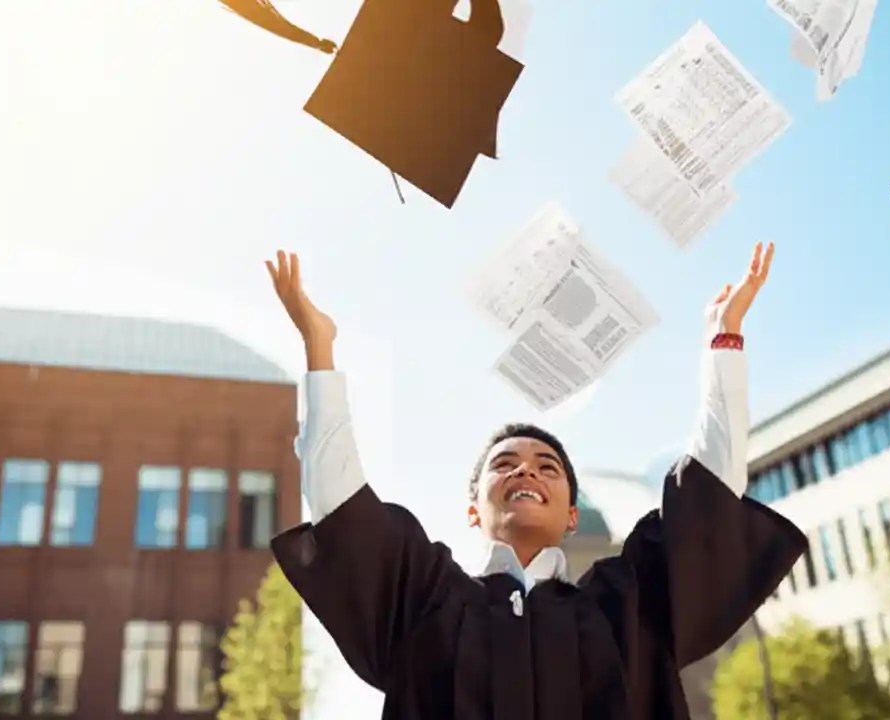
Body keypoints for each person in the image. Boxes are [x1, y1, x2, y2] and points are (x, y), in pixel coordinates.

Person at [263, 242, 807, 719]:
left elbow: (709, 493)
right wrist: (320, 348)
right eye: (505, 464)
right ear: (473, 508)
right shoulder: (424, 601)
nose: (526, 469)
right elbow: (340, 505)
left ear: (573, 514)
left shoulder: (632, 602)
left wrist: (724, 344)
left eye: (548, 467)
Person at [217, 0, 337, 54]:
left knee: (284, 28)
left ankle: (319, 44)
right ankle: (319, 44)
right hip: (254, 11)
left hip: (255, 11)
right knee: (284, 29)